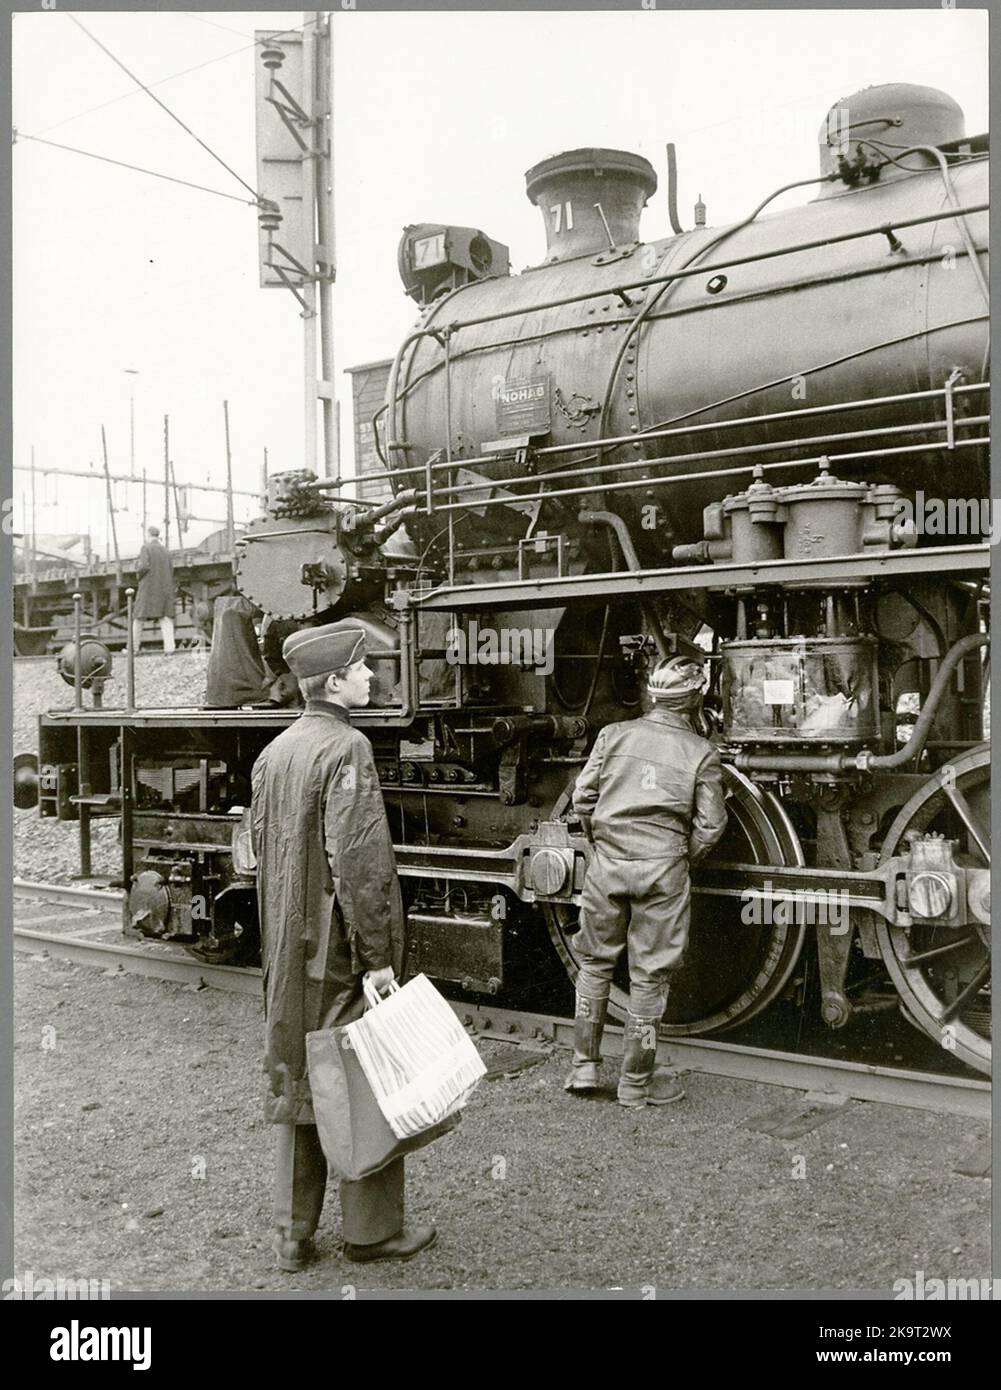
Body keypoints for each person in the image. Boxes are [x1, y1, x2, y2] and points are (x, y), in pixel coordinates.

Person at [250, 620, 436, 1272]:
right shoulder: (347, 748)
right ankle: (370, 1232)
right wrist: (378, 957)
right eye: (362, 668)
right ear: (334, 680)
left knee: (298, 1080)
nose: (371, 678)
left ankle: (291, 1233)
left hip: (287, 951)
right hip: (335, 951)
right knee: (362, 1078)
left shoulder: (275, 752)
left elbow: (257, 855)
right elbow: (357, 862)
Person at [565, 655, 728, 1108]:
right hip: (663, 870)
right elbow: (712, 826)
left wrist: (603, 845)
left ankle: (583, 1067)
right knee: (650, 977)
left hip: (608, 866)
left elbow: (583, 798)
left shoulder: (613, 735)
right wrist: (677, 856)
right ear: (694, 699)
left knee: (594, 964)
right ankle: (635, 1085)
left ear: (654, 695)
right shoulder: (702, 753)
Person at [132, 525, 176, 653]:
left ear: (149, 535)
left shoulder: (146, 548)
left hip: (148, 588)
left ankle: (133, 649)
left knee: (138, 617)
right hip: (164, 587)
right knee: (166, 617)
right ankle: (170, 648)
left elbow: (144, 566)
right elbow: (171, 570)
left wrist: (138, 574)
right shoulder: (166, 551)